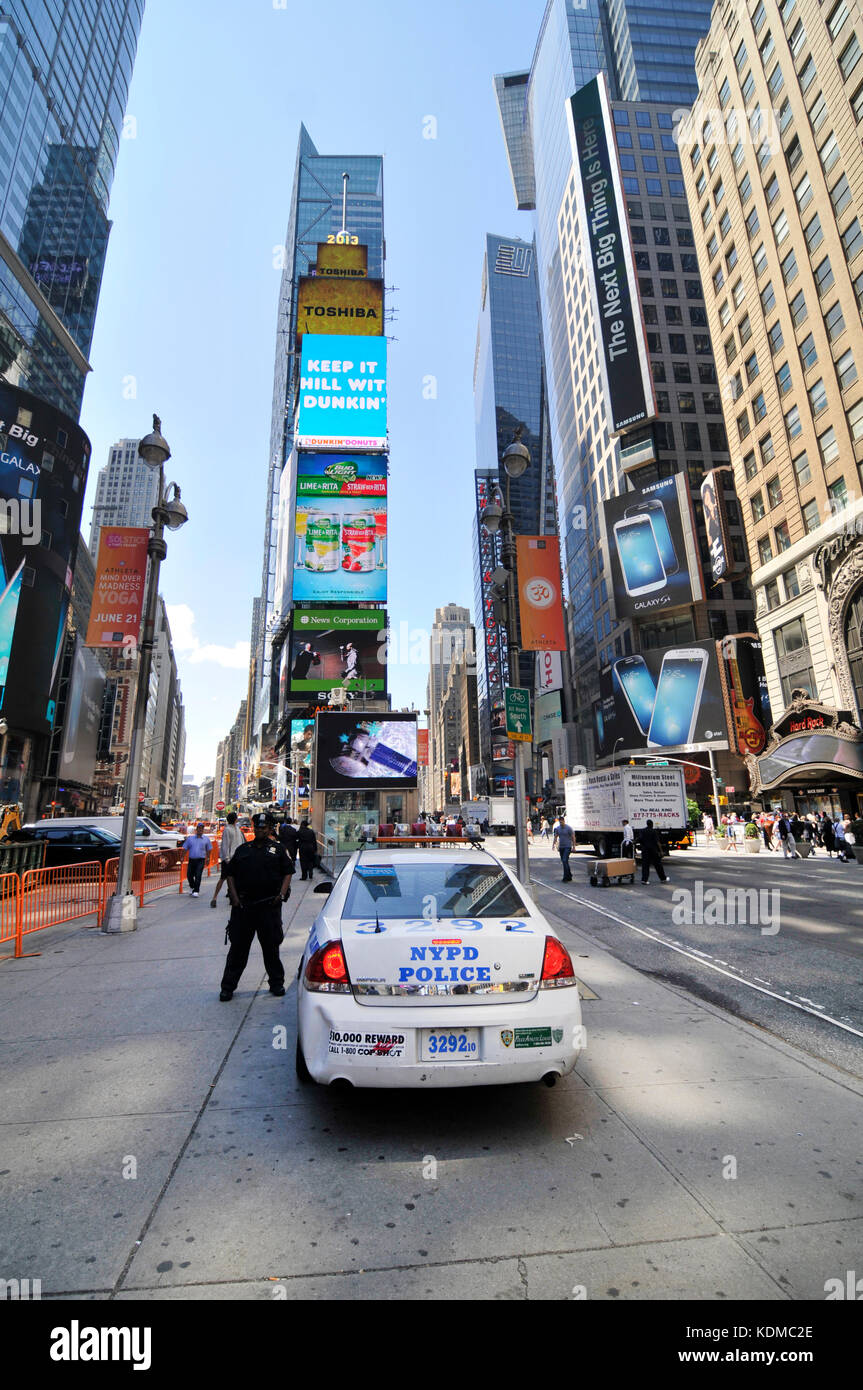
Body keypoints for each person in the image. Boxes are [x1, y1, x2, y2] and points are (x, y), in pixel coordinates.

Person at [219, 812, 293, 1001]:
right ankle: (228, 987)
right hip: (244, 908)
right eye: (257, 827)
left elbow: (288, 872)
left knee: (271, 950)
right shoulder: (243, 850)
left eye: (263, 827)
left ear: (269, 829)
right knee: (238, 950)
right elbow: (230, 874)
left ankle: (276, 983)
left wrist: (282, 894)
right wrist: (234, 898)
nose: (260, 830)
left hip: (269, 907)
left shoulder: (278, 849)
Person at [210, 811, 244, 908]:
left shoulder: (238, 829)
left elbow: (241, 843)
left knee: (234, 879)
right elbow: (225, 845)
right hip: (229, 860)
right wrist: (227, 859)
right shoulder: (227, 830)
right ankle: (214, 898)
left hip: (237, 859)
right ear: (235, 819)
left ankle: (232, 897)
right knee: (223, 878)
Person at [182, 822, 212, 898]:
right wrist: (182, 857)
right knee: (189, 875)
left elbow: (209, 849)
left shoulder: (206, 839)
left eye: (202, 828)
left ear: (203, 830)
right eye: (199, 828)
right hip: (192, 860)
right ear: (196, 829)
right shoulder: (190, 839)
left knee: (198, 875)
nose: (200, 830)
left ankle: (196, 890)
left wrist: (208, 858)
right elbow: (185, 848)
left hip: (200, 860)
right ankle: (192, 886)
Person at [638, 819, 668, 884]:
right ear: (652, 824)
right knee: (658, 865)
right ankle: (663, 878)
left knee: (645, 865)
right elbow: (657, 842)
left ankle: (644, 880)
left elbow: (639, 839)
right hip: (653, 850)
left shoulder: (642, 831)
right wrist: (661, 851)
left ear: (646, 824)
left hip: (645, 850)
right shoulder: (654, 831)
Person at [552, 816, 574, 882]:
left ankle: (565, 877)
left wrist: (574, 846)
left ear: (564, 821)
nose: (561, 823)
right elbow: (556, 836)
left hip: (568, 846)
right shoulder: (558, 828)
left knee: (564, 860)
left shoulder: (568, 828)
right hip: (561, 847)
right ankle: (569, 875)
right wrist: (553, 844)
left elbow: (573, 836)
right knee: (565, 861)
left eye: (562, 822)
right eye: (560, 822)